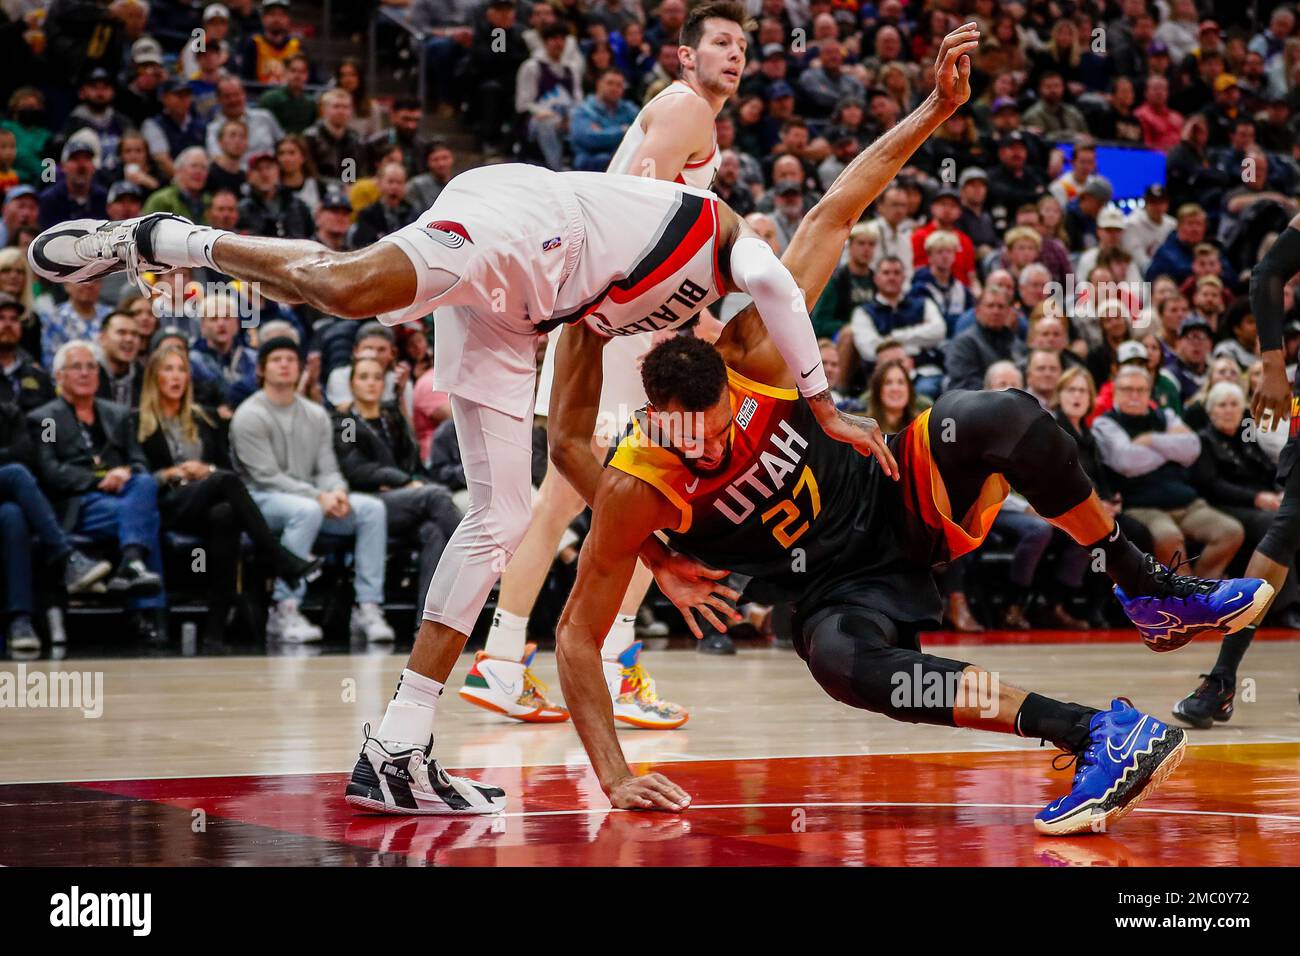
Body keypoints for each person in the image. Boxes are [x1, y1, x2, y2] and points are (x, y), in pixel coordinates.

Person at [29, 23, 986, 821]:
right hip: (528, 222)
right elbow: (813, 232)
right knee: (353, 288)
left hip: (525, 303)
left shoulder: (620, 333)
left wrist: (655, 557)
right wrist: (826, 403)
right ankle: (166, 238)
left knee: (504, 517)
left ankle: (398, 745)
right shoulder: (724, 246)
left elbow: (574, 448)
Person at [547, 212, 1265, 835]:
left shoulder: (751, 360)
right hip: (833, 591)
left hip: (895, 495)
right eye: (686, 440)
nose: (703, 448)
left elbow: (834, 214)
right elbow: (577, 627)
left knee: (999, 413)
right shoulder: (637, 484)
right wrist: (614, 776)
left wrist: (936, 106)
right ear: (656, 421)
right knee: (840, 665)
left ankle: (1145, 589)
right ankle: (1096, 732)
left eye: (715, 431)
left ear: (725, 393)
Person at [469, 1, 751, 724]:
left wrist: (692, 310)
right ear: (685, 56)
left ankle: (511, 658)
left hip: (606, 316)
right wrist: (677, 318)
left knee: (571, 503)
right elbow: (649, 209)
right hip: (624, 325)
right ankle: (576, 662)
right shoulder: (688, 107)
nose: (735, 52)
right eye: (719, 41)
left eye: (743, 44)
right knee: (639, 497)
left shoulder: (689, 117)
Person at [132, 343, 321, 641]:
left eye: (181, 370)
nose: (176, 376)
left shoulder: (205, 417)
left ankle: (215, 630)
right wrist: (173, 472)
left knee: (227, 514)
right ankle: (280, 559)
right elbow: (137, 475)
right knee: (227, 482)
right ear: (153, 377)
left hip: (205, 500)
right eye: (168, 369)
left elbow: (221, 465)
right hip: (165, 502)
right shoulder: (136, 421)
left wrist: (204, 471)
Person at [228, 337, 394, 645]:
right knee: (305, 511)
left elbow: (327, 468)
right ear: (262, 369)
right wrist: (318, 496)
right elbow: (266, 477)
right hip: (260, 501)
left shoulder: (315, 414)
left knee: (371, 509)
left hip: (312, 500)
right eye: (276, 359)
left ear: (301, 368)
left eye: (291, 359)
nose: (285, 364)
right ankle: (284, 608)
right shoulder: (249, 414)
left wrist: (338, 492)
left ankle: (368, 607)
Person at [27, 341, 168, 641]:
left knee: (144, 484)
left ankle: (131, 564)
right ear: (59, 376)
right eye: (76, 367)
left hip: (123, 498)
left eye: (91, 366)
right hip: (79, 504)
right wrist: (99, 480)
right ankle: (148, 612)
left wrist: (126, 472)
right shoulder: (47, 419)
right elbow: (50, 471)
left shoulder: (117, 414)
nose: (85, 373)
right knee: (146, 516)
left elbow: (140, 462)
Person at [332, 355, 465, 649]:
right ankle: (472, 562)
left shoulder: (392, 418)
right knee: (437, 496)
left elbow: (413, 463)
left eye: (377, 377)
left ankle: (428, 625)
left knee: (433, 531)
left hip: (405, 500)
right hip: (367, 502)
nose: (371, 383)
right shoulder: (345, 421)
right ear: (352, 384)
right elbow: (355, 469)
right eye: (363, 377)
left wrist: (407, 480)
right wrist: (400, 481)